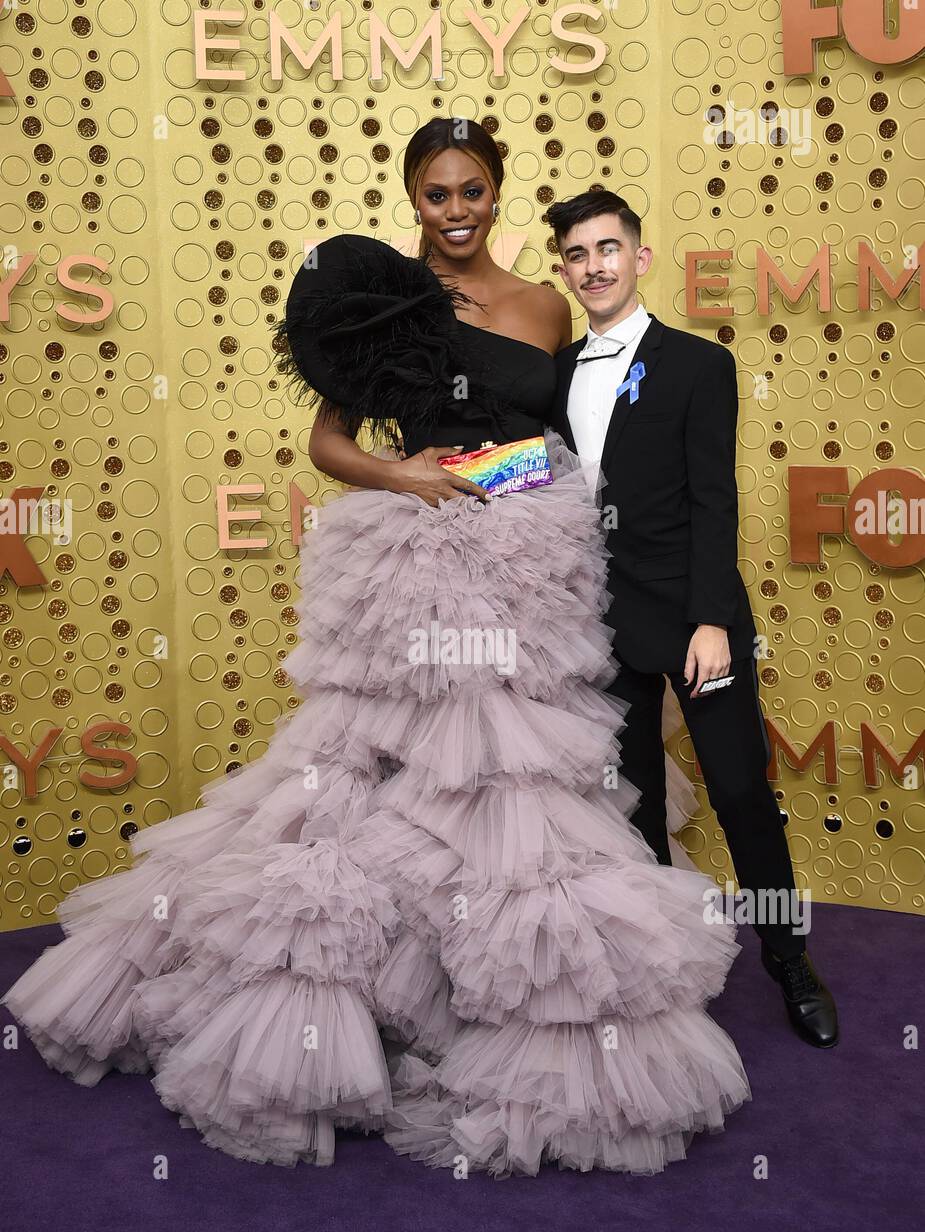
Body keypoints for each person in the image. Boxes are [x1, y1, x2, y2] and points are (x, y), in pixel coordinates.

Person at [2, 120, 751, 1175]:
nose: (456, 210)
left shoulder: (547, 303)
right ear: (412, 198)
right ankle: (368, 994)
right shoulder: (386, 299)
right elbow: (326, 440)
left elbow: (577, 438)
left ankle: (511, 980)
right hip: (423, 547)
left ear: (497, 194)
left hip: (536, 547)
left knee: (523, 769)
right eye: (437, 193)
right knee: (390, 766)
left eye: (473, 191)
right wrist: (408, 477)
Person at [547, 189, 839, 1050]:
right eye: (576, 253)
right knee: (629, 803)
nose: (594, 265)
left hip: (692, 614)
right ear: (562, 269)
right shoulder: (555, 373)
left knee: (742, 790)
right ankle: (658, 970)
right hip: (602, 622)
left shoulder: (698, 364)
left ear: (639, 258)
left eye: (608, 248)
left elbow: (717, 501)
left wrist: (711, 620)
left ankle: (787, 956)